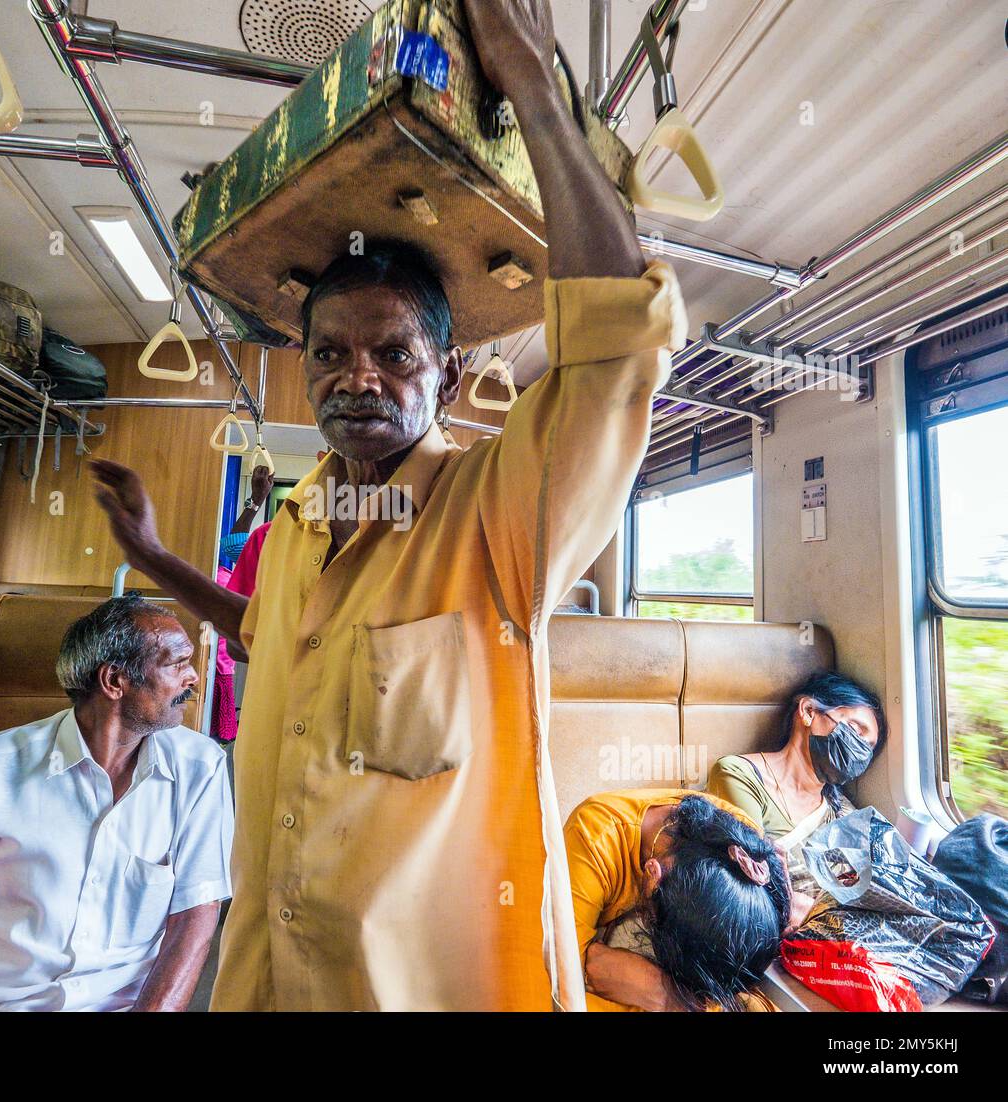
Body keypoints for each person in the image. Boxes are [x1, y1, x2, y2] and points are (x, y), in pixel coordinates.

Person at [92, 0, 687, 1011]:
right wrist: (152, 557)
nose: (357, 377)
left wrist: (531, 77)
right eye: (329, 353)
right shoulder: (298, 523)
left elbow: (616, 343)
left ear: (446, 377)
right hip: (264, 975)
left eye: (393, 353)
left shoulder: (499, 516)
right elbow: (273, 643)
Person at [0, 595, 233, 1012]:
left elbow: (195, 912)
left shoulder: (200, 766)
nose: (194, 677)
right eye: (177, 664)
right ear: (115, 681)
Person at [565, 790, 790, 1012]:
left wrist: (666, 998)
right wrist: (666, 998)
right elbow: (554, 981)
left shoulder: (743, 838)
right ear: (653, 879)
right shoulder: (593, 839)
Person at [707, 671, 886, 895]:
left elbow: (847, 884)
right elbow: (754, 873)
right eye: (855, 730)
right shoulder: (738, 775)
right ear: (809, 711)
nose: (859, 751)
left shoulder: (838, 811)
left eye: (867, 748)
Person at [213, 463, 273, 741]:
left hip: (222, 662)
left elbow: (235, 546)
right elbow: (235, 546)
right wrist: (255, 501)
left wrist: (256, 501)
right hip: (215, 660)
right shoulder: (222, 572)